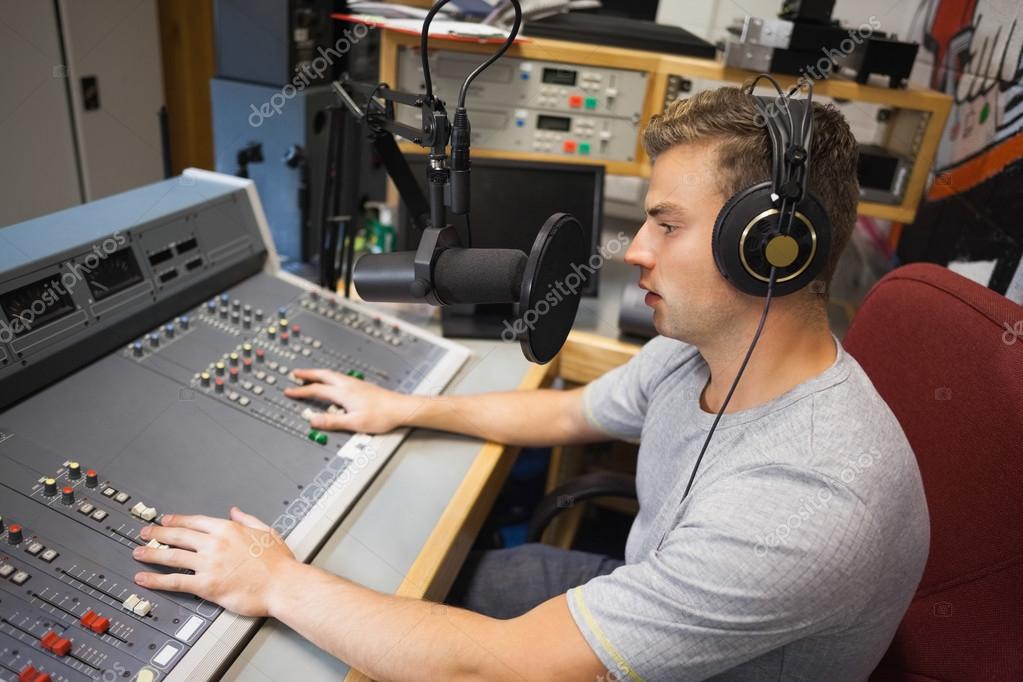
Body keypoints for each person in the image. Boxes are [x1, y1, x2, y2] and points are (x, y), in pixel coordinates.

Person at [132, 85, 929, 681]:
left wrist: (273, 581)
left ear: (768, 246)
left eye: (668, 224)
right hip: (640, 584)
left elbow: (503, 664)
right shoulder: (704, 350)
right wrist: (406, 406)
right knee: (409, 585)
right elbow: (570, 413)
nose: (638, 251)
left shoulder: (804, 502)